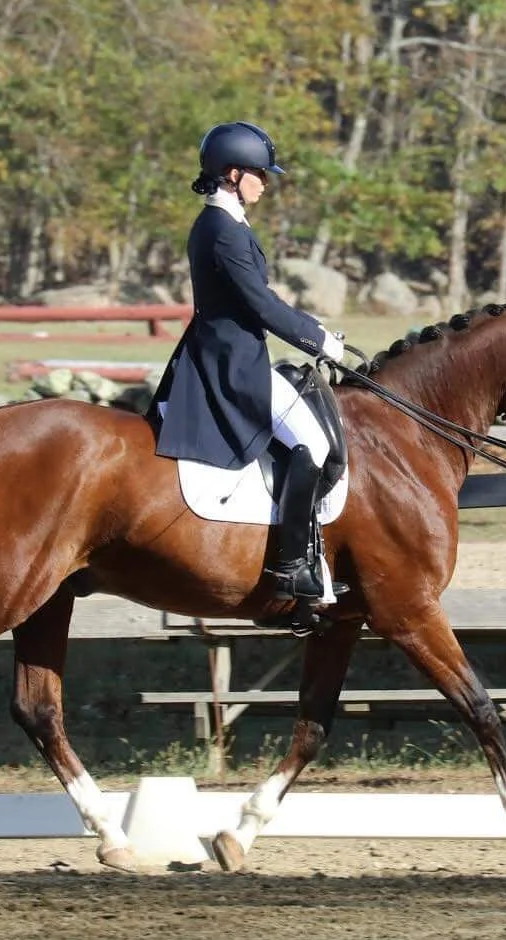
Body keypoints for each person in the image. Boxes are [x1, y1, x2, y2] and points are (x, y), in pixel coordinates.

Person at [151, 120, 347, 603]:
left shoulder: (227, 223)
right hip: (232, 366)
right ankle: (290, 567)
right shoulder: (222, 230)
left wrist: (313, 327)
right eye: (260, 174)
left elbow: (261, 298)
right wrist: (318, 340)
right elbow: (260, 305)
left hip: (233, 353)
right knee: (315, 447)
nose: (267, 183)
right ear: (232, 173)